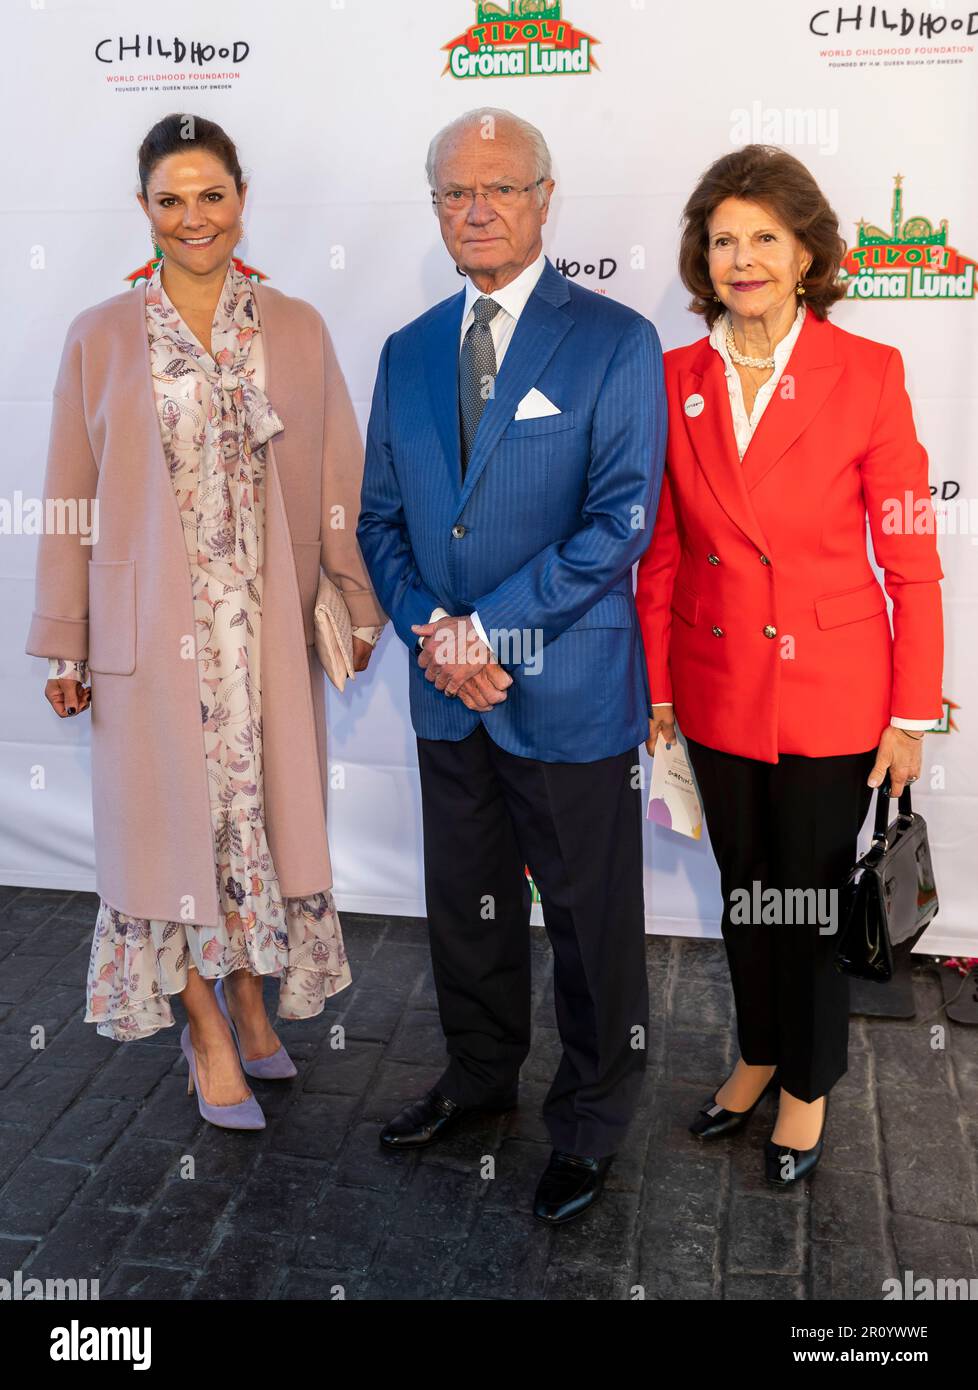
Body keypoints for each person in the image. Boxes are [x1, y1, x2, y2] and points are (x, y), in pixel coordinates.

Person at [25, 114, 386, 1129]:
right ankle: (208, 1030)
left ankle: (248, 996)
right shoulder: (100, 333)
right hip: (145, 637)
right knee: (161, 836)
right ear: (143, 208)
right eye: (170, 199)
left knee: (254, 827)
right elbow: (68, 494)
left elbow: (338, 480)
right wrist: (66, 636)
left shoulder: (298, 325)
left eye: (211, 195)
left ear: (242, 197)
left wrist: (354, 599)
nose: (194, 217)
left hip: (262, 634)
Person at [357, 107, 667, 1225]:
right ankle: (481, 1080)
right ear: (435, 208)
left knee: (590, 923)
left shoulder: (615, 339)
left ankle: (589, 1120)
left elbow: (620, 519)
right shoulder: (404, 348)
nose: (475, 206)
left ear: (545, 197)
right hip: (450, 695)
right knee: (468, 909)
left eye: (499, 186)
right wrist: (434, 634)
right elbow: (379, 522)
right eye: (453, 191)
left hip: (566, 689)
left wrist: (486, 632)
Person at [635, 144, 943, 1185]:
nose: (743, 257)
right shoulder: (672, 378)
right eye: (724, 239)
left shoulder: (869, 373)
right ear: (703, 258)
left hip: (834, 693)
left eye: (765, 237)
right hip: (714, 689)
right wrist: (660, 690)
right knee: (743, 891)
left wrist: (911, 712)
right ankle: (757, 1050)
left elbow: (909, 552)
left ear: (808, 252)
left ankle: (806, 1081)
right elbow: (663, 548)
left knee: (805, 899)